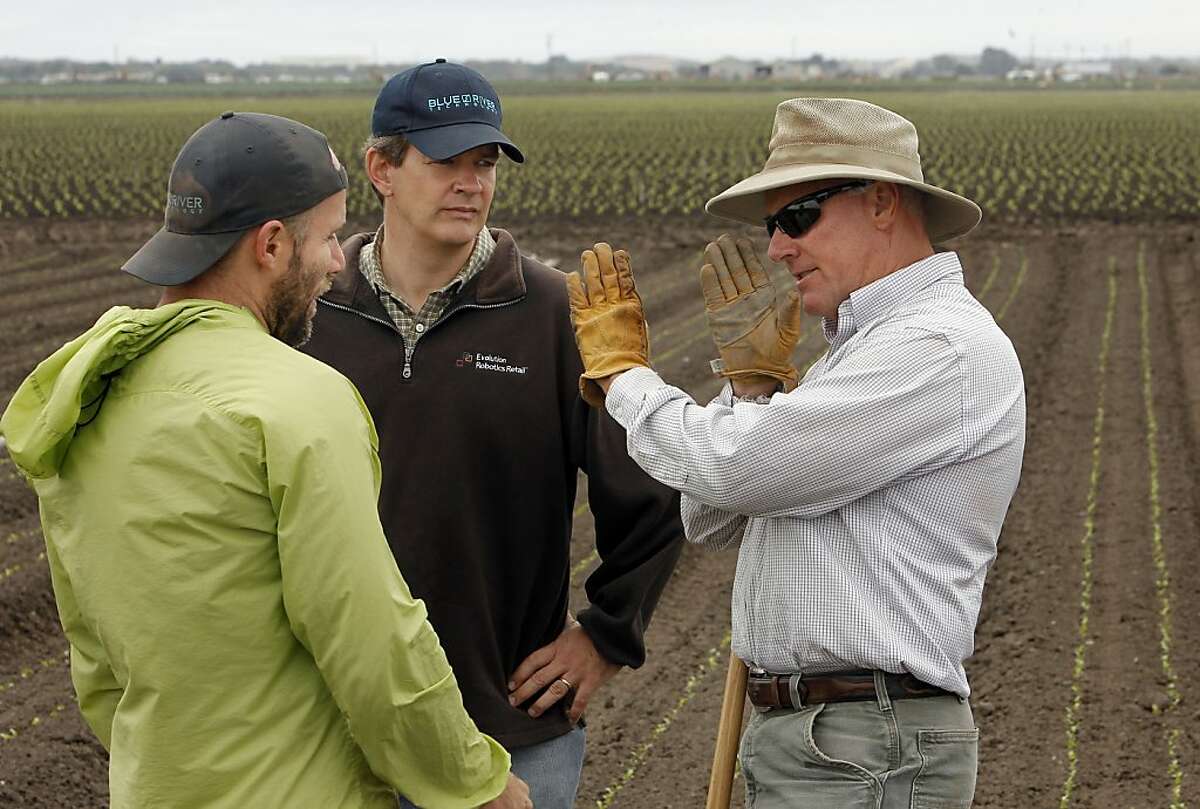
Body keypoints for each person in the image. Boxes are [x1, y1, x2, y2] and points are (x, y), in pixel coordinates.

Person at [0, 112, 529, 809]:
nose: (338, 262)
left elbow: (96, 666)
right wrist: (475, 782)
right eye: (329, 236)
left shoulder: (86, 397)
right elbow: (372, 641)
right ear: (272, 245)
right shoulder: (297, 401)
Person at [565, 98, 1026, 809]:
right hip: (829, 737)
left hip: (866, 746)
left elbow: (733, 469)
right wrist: (752, 389)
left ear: (882, 202)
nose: (778, 247)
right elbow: (713, 518)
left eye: (799, 216)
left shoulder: (937, 346)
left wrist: (624, 376)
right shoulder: (864, 348)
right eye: (771, 225)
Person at [301, 60, 684, 809]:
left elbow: (652, 489)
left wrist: (607, 635)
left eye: (484, 163)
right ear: (382, 169)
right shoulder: (312, 315)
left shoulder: (555, 314)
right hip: (333, 728)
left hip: (504, 723)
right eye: (446, 161)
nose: (471, 183)